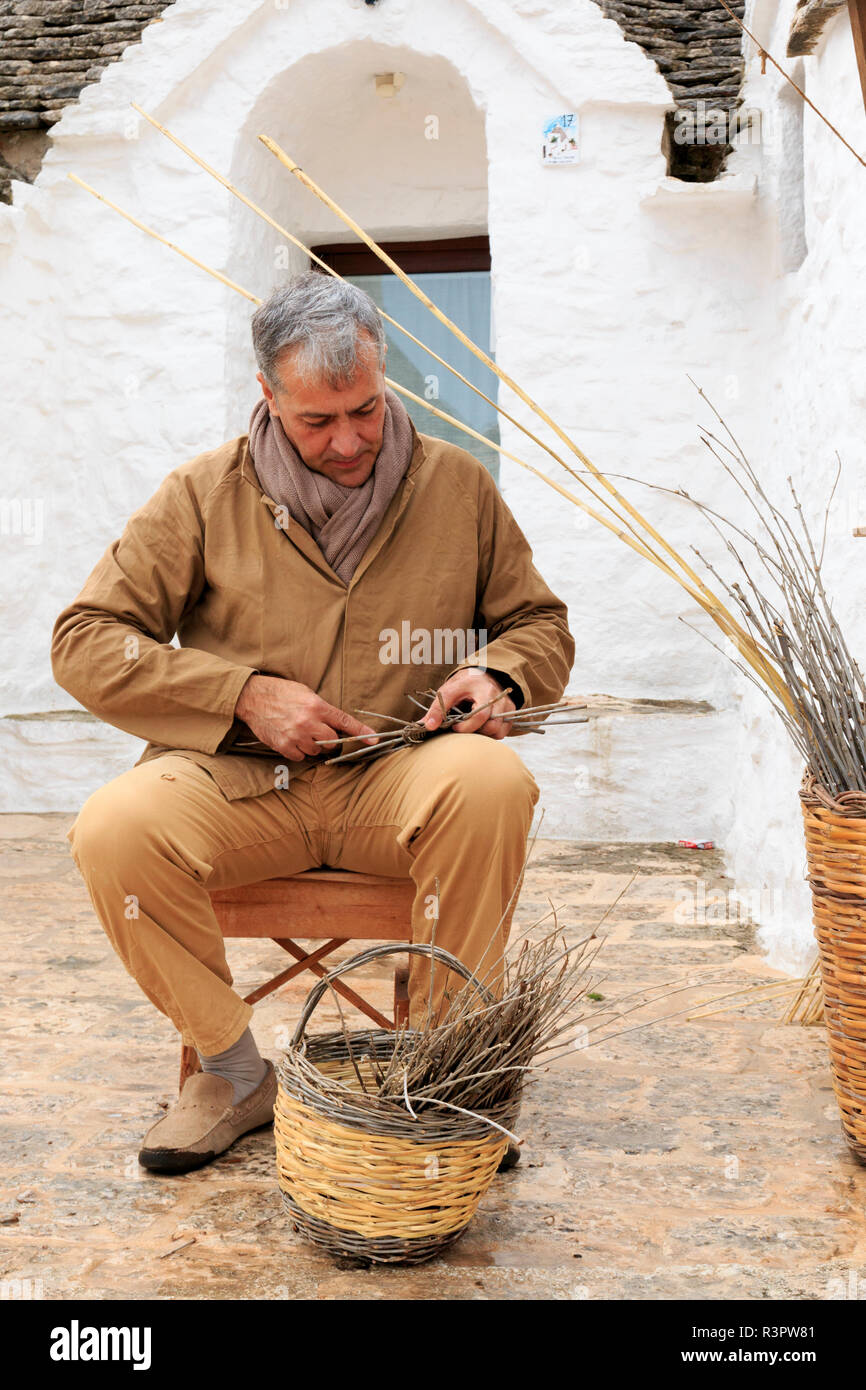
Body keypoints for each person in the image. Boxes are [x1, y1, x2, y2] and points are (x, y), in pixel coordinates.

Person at [50, 273, 575, 1173]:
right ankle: (231, 1067)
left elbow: (539, 623)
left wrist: (500, 675)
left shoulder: (458, 485)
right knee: (113, 828)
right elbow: (86, 640)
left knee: (494, 782)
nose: (349, 441)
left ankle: (450, 1070)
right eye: (316, 422)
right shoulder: (199, 494)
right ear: (268, 396)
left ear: (385, 378)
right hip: (242, 785)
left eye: (365, 410)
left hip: (402, 782)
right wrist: (241, 693)